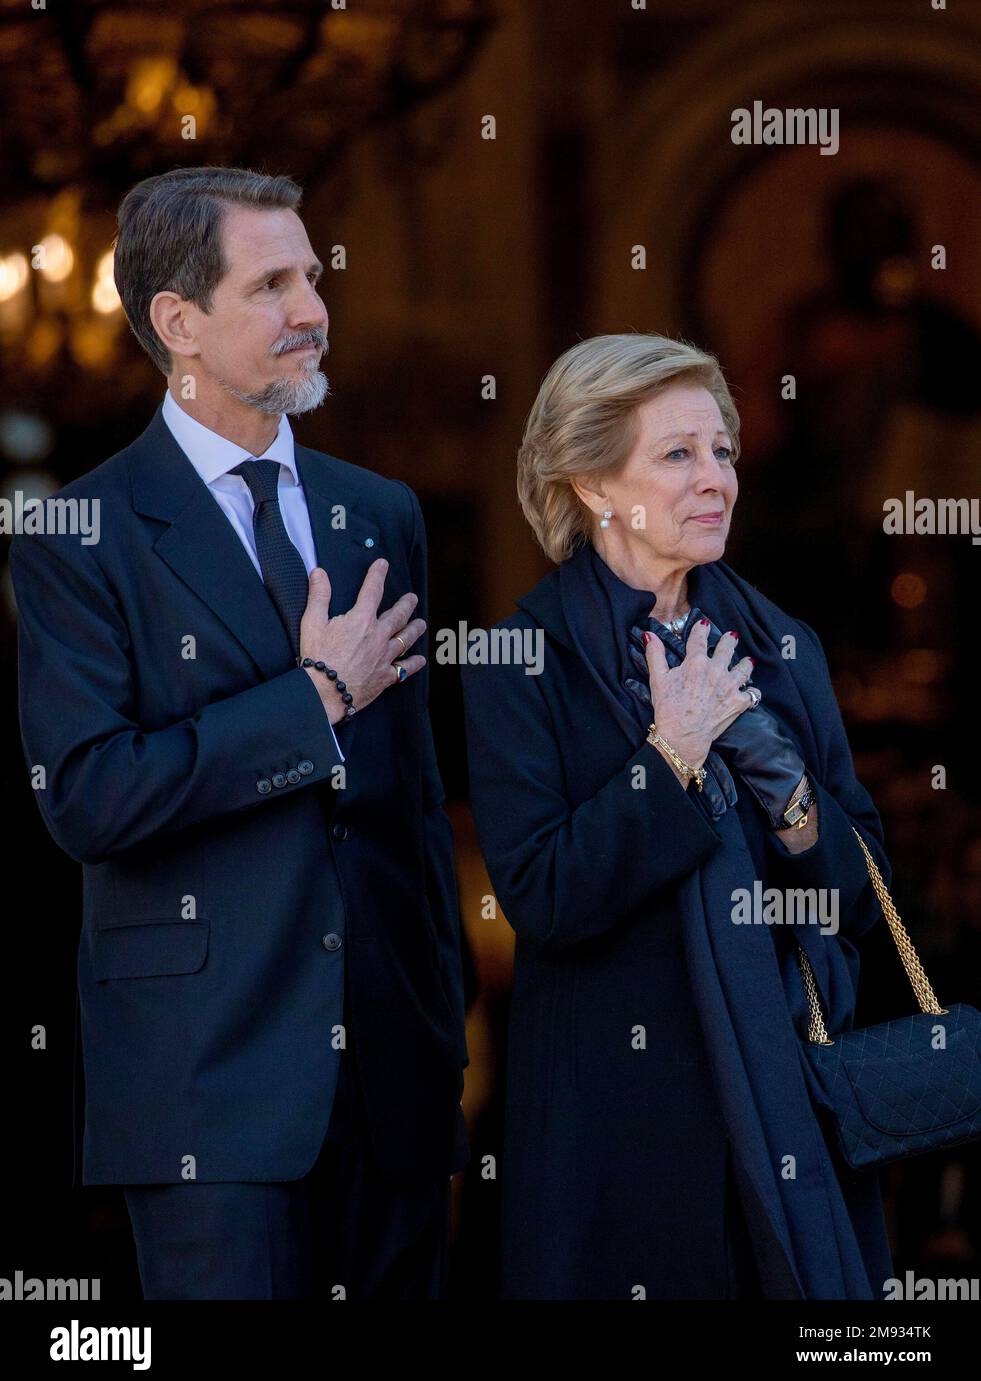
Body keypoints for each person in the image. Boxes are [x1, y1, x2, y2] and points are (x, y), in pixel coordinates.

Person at [9, 165, 469, 1300]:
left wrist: (441, 1031)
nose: (314, 308)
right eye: (272, 283)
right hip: (203, 1095)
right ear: (180, 323)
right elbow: (88, 795)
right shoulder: (79, 532)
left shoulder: (385, 513)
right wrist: (311, 700)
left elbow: (413, 806)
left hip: (396, 1092)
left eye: (312, 275)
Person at [461, 333, 896, 1300]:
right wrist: (674, 755)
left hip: (785, 1099)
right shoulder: (517, 663)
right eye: (676, 454)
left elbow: (862, 897)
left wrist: (783, 787)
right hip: (614, 1125)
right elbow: (543, 898)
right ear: (589, 482)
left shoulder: (783, 646)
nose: (716, 480)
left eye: (722, 452)